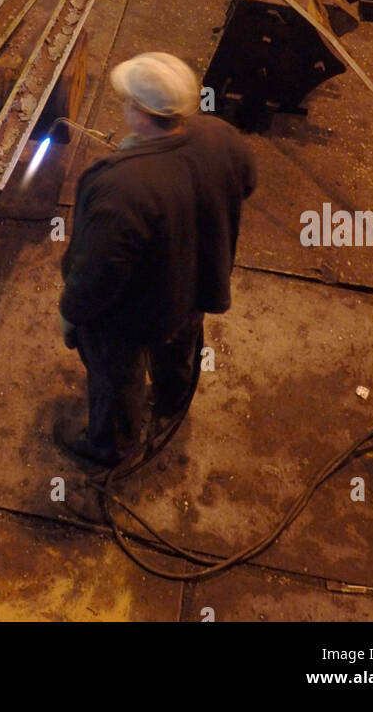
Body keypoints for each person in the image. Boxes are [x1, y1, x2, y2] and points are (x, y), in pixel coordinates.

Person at [55, 52, 257, 469]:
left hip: (132, 315)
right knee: (179, 348)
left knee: (118, 377)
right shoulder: (224, 138)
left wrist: (71, 314)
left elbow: (97, 274)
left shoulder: (118, 185)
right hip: (195, 287)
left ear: (138, 112)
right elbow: (246, 185)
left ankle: (113, 446)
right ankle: (170, 400)